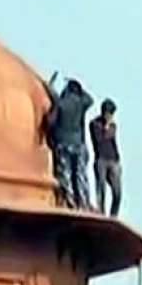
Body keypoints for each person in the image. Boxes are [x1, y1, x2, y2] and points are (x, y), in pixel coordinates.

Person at [44, 73, 95, 209]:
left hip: (63, 143)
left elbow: (50, 121)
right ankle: (83, 203)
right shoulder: (81, 103)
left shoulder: (61, 103)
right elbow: (90, 99)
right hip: (78, 144)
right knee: (80, 175)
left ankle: (69, 200)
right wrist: (79, 87)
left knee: (64, 173)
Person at [89, 99, 122, 216]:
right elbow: (100, 140)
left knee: (117, 192)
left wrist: (118, 159)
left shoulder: (113, 126)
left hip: (113, 159)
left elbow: (112, 140)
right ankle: (101, 213)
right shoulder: (94, 124)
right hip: (101, 160)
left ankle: (114, 215)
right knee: (101, 189)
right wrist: (107, 126)